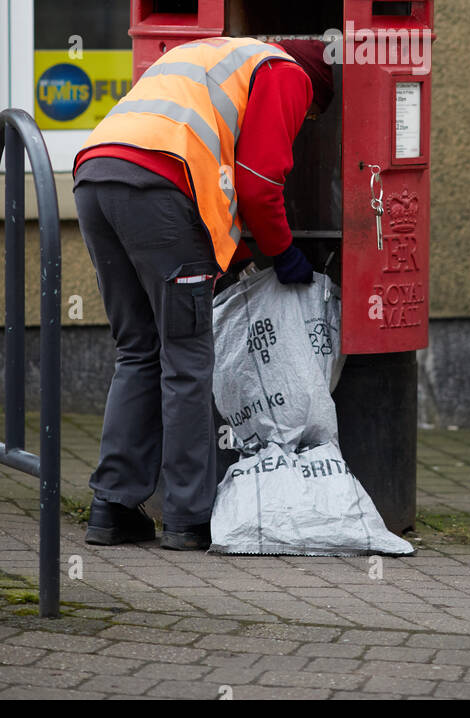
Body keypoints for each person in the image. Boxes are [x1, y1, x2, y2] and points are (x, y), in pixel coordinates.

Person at [72, 35, 334, 550]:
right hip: (160, 187)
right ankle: (190, 519)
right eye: (308, 118)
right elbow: (258, 181)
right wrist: (284, 255)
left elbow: (211, 179)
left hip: (95, 177)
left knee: (138, 350)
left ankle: (112, 507)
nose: (301, 123)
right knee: (187, 358)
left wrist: (236, 259)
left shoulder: (216, 55)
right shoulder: (289, 73)